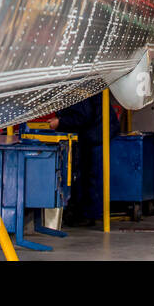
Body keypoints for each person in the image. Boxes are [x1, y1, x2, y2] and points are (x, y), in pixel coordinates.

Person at [50, 94, 120, 226]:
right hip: (96, 130)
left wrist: (60, 122)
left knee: (90, 174)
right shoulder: (76, 84)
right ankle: (85, 213)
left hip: (96, 132)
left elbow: (83, 116)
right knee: (88, 174)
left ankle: (87, 215)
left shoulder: (76, 87)